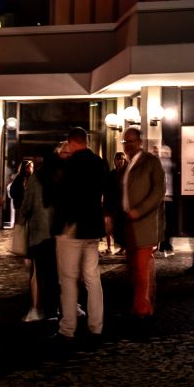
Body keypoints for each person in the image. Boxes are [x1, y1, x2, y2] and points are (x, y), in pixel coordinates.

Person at [52, 127, 108, 339]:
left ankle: (68, 328)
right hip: (92, 227)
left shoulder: (70, 164)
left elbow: (60, 195)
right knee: (92, 278)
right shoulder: (98, 162)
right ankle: (96, 325)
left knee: (68, 278)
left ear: (71, 142)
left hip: (72, 226)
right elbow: (107, 190)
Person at [114, 125, 165, 316]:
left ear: (140, 142)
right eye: (125, 141)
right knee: (134, 269)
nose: (127, 145)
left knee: (142, 268)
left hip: (145, 224)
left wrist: (139, 211)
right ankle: (139, 304)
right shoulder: (127, 166)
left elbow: (158, 191)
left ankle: (142, 309)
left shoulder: (151, 162)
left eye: (131, 141)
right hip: (128, 224)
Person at [19, 152, 59, 322]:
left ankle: (38, 308)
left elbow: (27, 206)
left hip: (39, 234)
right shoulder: (59, 178)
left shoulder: (36, 179)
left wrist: (20, 223)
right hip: (57, 233)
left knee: (39, 273)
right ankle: (53, 310)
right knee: (55, 274)